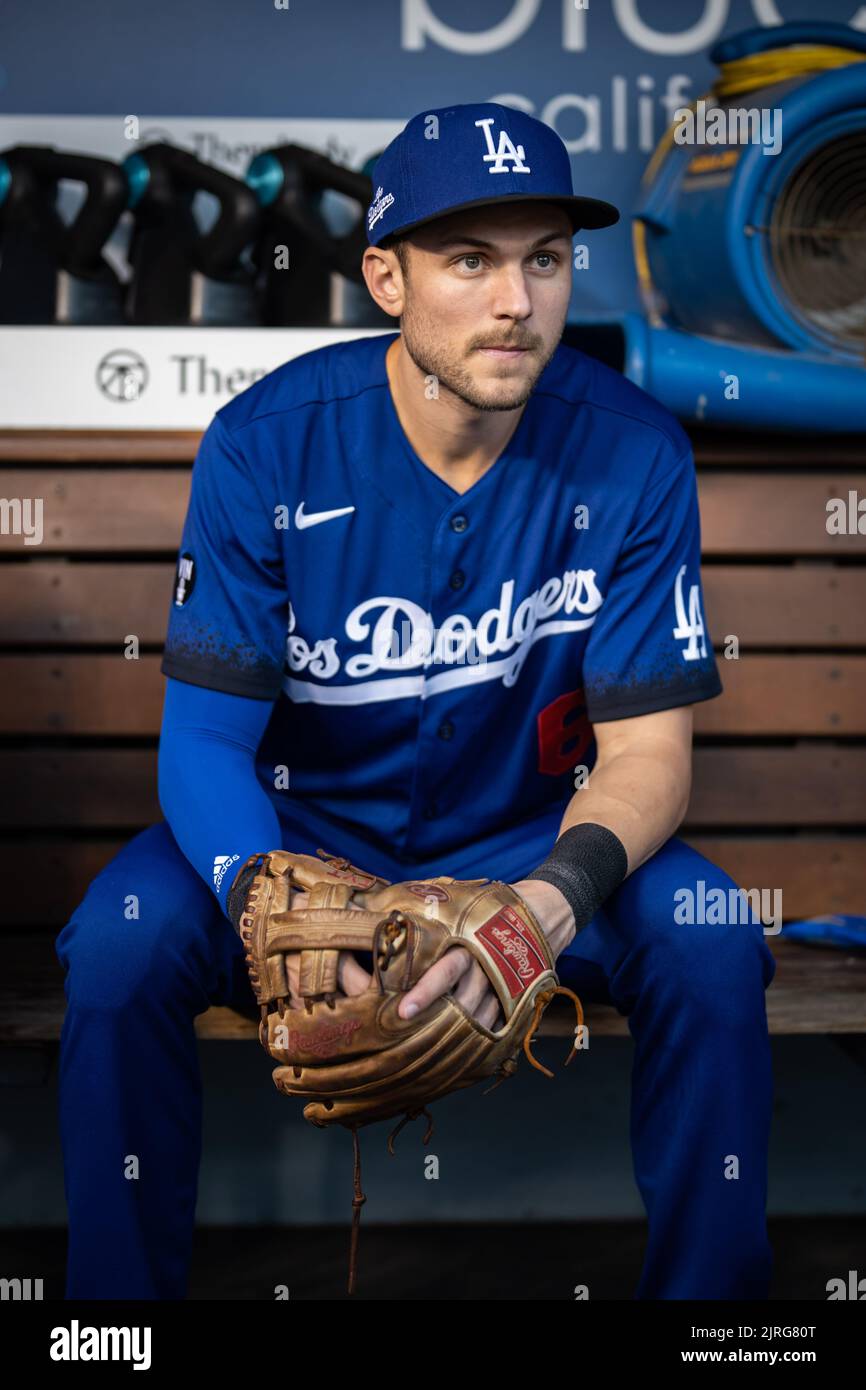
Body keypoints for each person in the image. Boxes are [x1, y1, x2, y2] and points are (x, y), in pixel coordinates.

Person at [55, 102, 775, 1300]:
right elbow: (204, 745)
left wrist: (543, 905)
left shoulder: (635, 453)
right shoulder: (265, 445)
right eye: (469, 259)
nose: (515, 301)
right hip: (299, 844)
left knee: (706, 937)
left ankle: (714, 1323)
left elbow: (647, 754)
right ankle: (113, 1326)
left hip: (521, 851)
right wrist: (261, 894)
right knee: (121, 947)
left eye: (543, 258)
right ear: (384, 275)